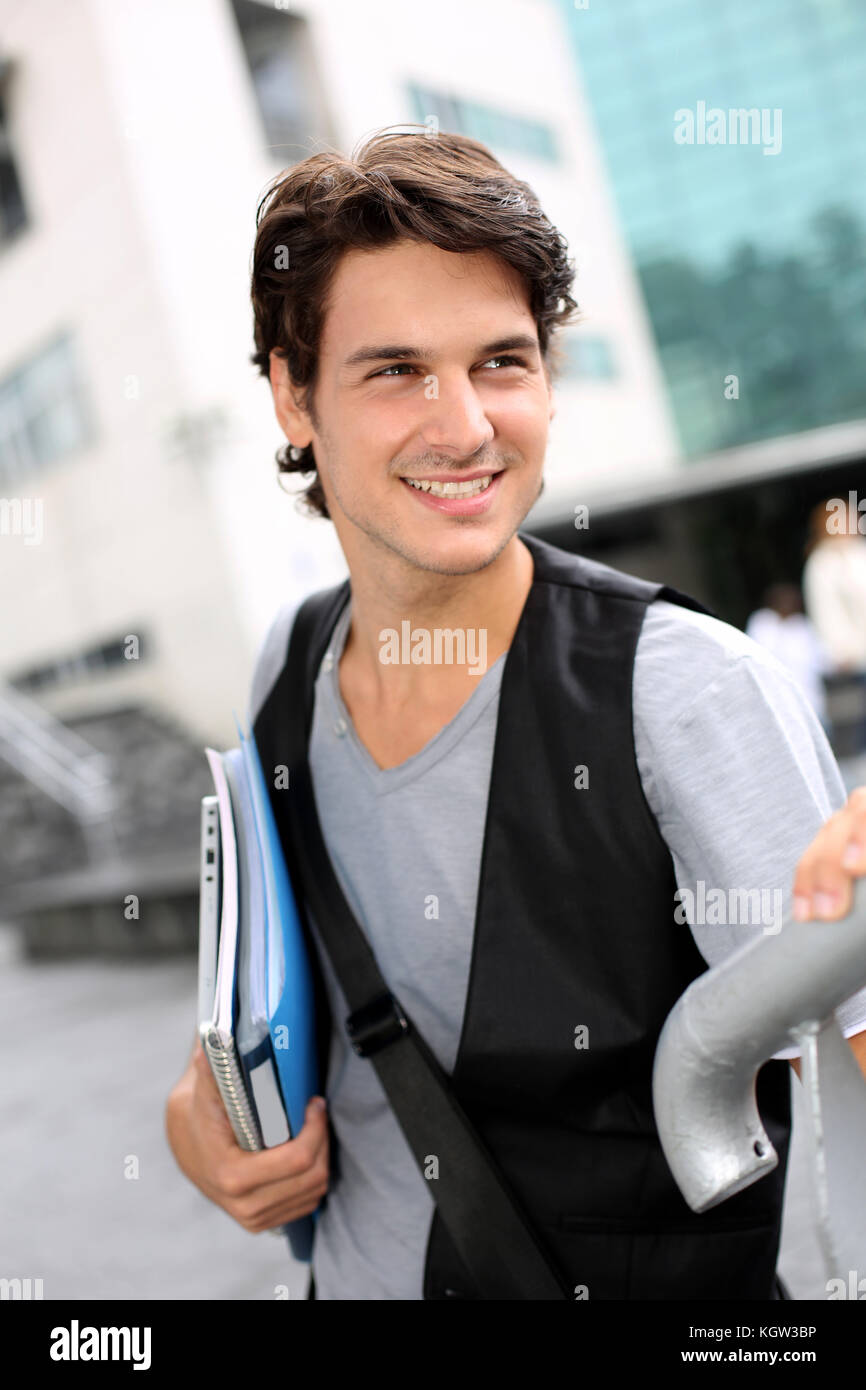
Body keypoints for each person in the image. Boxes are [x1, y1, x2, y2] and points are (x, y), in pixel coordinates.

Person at [165, 126, 866, 1300]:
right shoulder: (285, 667)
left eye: (500, 361)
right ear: (293, 396)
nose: (465, 424)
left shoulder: (680, 688)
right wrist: (201, 1119)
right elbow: (279, 1011)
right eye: (395, 370)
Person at [803, 498, 866, 755]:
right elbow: (825, 612)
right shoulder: (822, 562)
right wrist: (838, 650)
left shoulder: (859, 552)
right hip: (852, 660)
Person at [746, 582, 831, 730]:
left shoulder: (803, 627)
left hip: (809, 702)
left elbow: (822, 661)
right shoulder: (763, 624)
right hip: (775, 703)